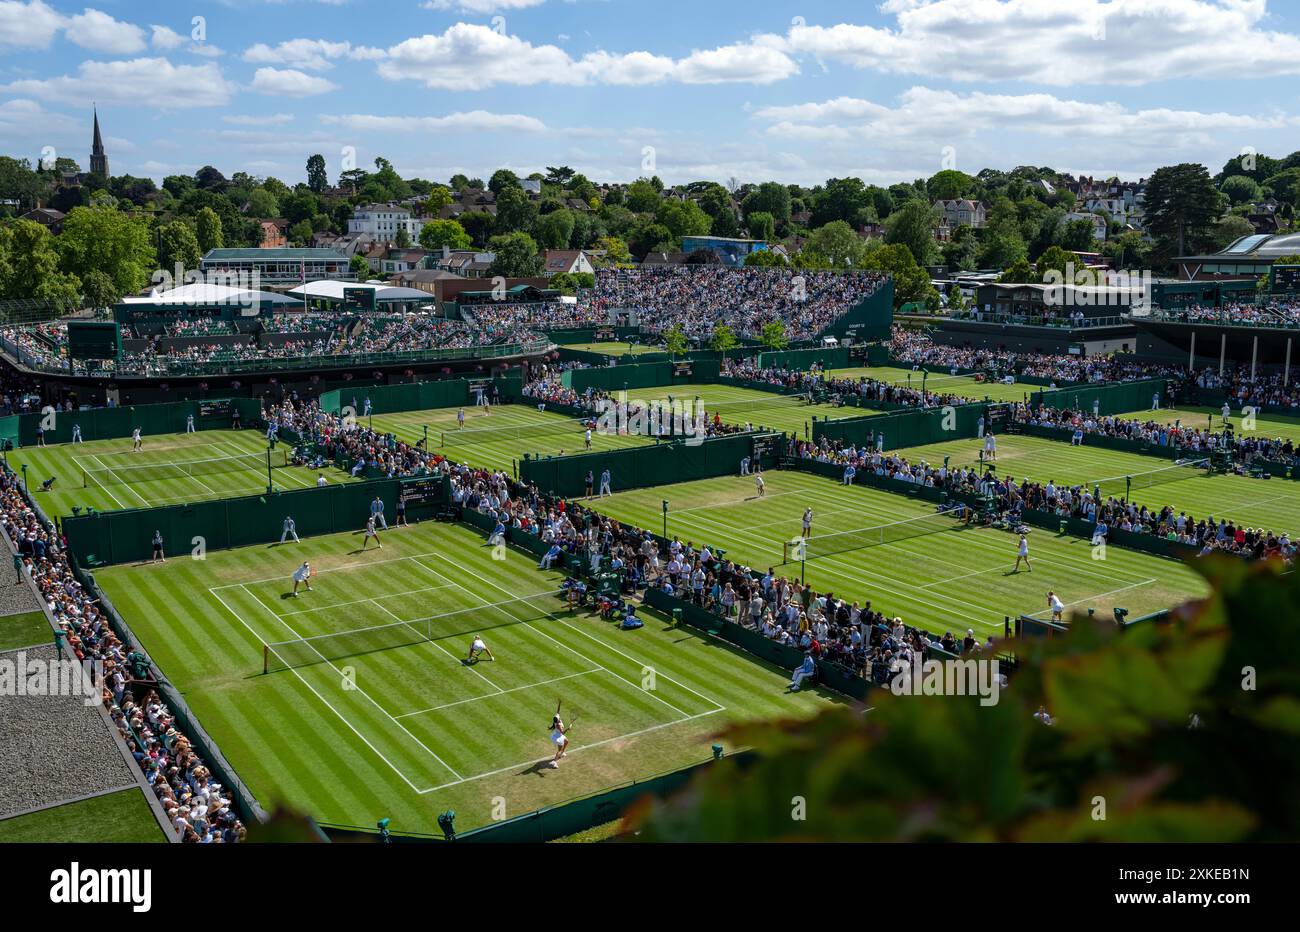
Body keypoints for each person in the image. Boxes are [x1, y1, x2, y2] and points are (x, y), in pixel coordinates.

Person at [548, 700, 570, 768]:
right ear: (557, 720)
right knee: (559, 750)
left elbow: (558, 711)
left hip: (556, 735)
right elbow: (563, 732)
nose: (559, 716)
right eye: (558, 717)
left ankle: (562, 753)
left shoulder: (556, 717)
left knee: (566, 741)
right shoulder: (558, 725)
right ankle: (554, 762)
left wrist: (559, 703)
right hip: (558, 738)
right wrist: (568, 728)